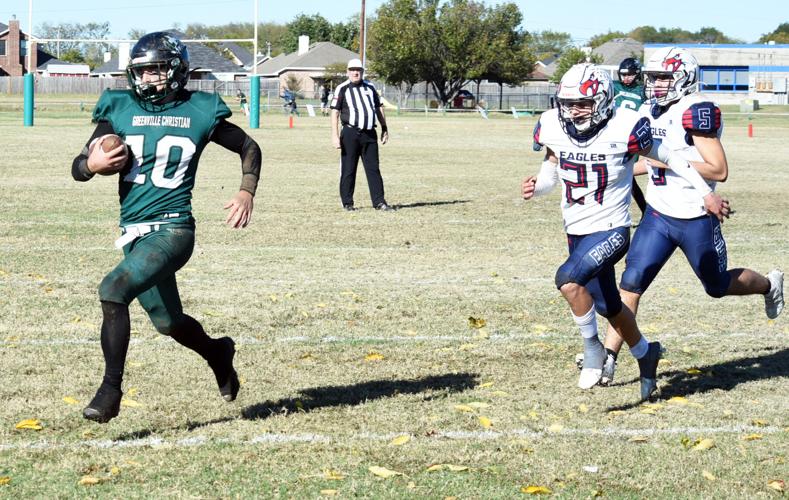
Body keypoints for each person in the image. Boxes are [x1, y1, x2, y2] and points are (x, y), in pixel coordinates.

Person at [70, 32, 262, 423]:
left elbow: (249, 147)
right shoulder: (118, 107)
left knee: (113, 289)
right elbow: (78, 167)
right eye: (141, 71)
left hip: (174, 230)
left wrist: (246, 191)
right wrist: (91, 165)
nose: (147, 78)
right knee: (167, 322)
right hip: (135, 233)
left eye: (156, 69)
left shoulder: (200, 109)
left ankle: (109, 391)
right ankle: (218, 352)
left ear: (176, 70)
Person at [523, 63, 727, 400]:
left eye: (583, 103)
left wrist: (706, 193)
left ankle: (594, 350)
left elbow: (674, 159)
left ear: (603, 100)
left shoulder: (626, 126)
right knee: (609, 307)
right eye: (568, 103)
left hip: (612, 228)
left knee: (568, 280)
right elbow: (551, 171)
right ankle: (646, 353)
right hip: (576, 227)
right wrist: (537, 186)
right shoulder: (551, 124)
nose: (574, 111)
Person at [594, 47, 784, 386]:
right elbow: (647, 161)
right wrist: (612, 173)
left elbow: (718, 169)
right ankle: (608, 359)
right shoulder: (649, 108)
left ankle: (769, 284)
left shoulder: (696, 111)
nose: (656, 84)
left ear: (684, 78)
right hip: (658, 214)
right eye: (653, 78)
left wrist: (665, 161)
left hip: (695, 216)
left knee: (716, 285)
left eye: (663, 78)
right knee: (630, 284)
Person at [331, 58, 395, 212]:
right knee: (348, 168)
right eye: (352, 70)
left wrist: (384, 127)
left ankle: (379, 202)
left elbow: (378, 107)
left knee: (373, 168)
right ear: (347, 72)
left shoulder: (370, 87)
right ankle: (347, 203)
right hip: (350, 132)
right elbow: (335, 112)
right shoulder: (342, 88)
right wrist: (334, 135)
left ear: (362, 72)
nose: (355, 72)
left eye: (358, 70)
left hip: (369, 133)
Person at [613, 57, 647, 218]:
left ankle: (645, 211)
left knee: (627, 175)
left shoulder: (642, 91)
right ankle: (645, 212)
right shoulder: (614, 86)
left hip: (632, 136)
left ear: (637, 74)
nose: (626, 78)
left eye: (630, 75)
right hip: (613, 134)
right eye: (623, 74)